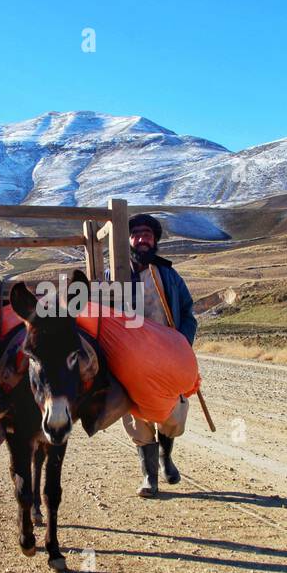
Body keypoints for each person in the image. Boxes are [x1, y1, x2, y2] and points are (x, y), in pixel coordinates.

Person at [120, 212, 197, 497]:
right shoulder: (114, 275)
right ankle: (148, 477)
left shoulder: (169, 275)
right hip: (129, 360)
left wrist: (181, 344)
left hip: (167, 358)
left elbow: (189, 314)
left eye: (148, 235)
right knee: (135, 415)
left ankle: (166, 458)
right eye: (137, 234)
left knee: (172, 413)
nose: (142, 239)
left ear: (155, 241)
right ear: (128, 240)